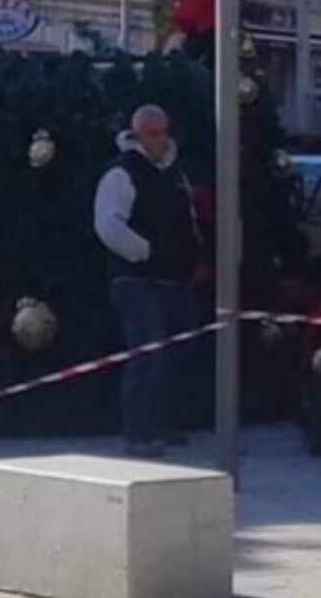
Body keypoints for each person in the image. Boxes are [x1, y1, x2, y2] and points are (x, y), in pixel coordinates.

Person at [95, 105, 203, 458]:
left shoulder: (175, 173)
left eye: (164, 131)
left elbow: (189, 218)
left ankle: (162, 424)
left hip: (175, 279)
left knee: (178, 352)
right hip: (136, 280)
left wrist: (193, 257)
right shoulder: (121, 174)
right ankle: (137, 433)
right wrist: (145, 252)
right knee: (147, 354)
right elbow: (109, 225)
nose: (161, 139)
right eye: (153, 133)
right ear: (137, 134)